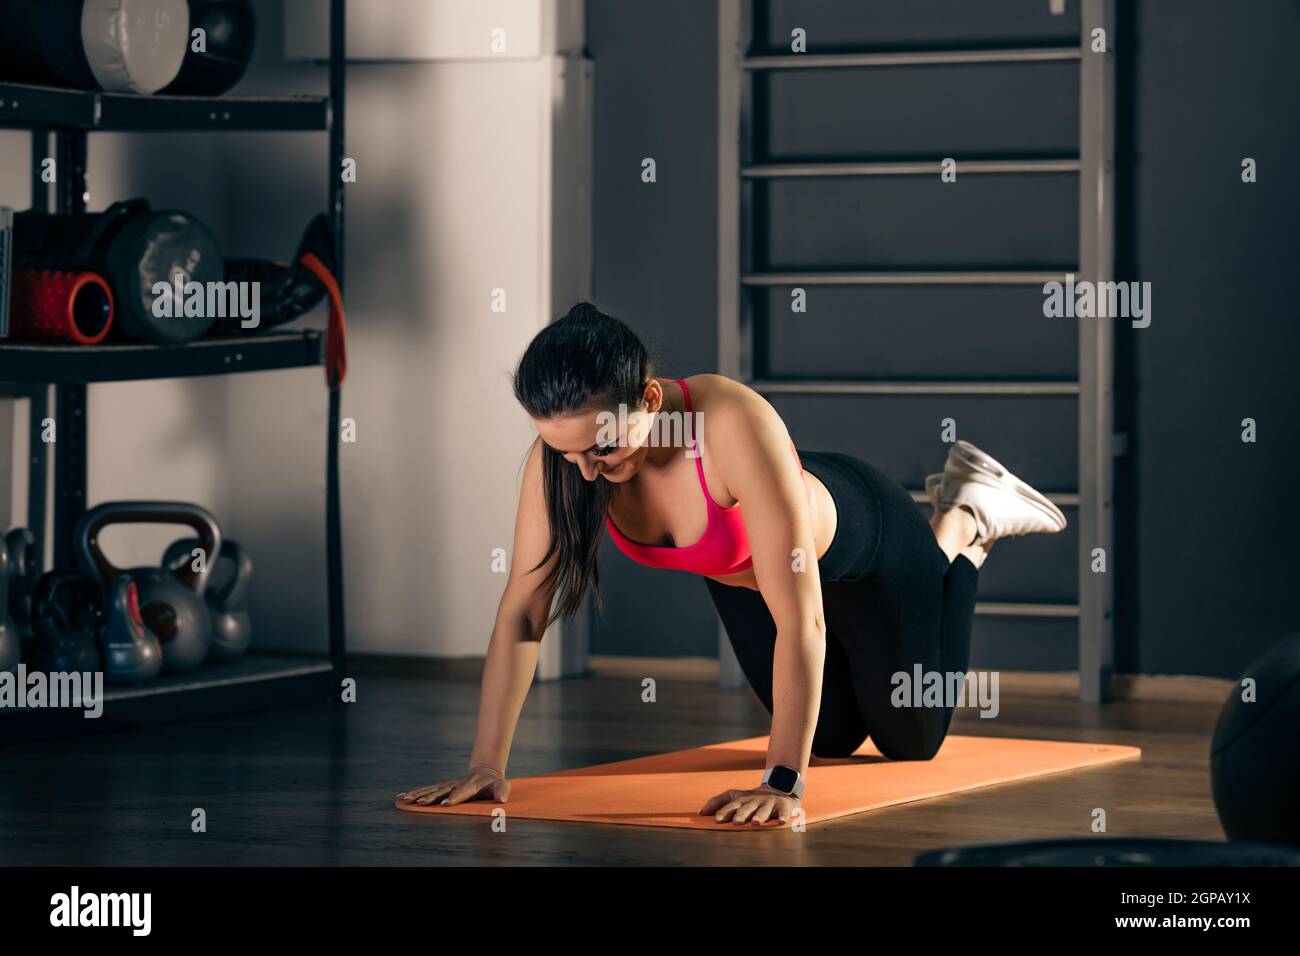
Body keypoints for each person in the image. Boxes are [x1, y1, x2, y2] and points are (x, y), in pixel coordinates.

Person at [397, 303, 1066, 825]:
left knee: (908, 737)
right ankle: (955, 525)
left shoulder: (728, 423)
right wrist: (486, 764)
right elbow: (522, 612)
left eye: (600, 449)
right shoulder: (568, 460)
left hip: (871, 551)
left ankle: (964, 523)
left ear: (651, 401)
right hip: (750, 574)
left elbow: (802, 620)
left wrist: (782, 783)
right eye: (566, 453)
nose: (585, 472)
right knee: (829, 738)